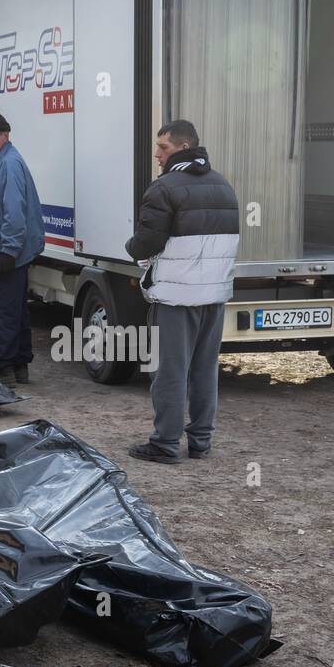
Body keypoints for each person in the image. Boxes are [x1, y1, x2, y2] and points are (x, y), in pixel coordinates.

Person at [123, 119, 239, 464]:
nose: (157, 154)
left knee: (170, 370)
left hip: (176, 295)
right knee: (205, 369)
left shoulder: (164, 188)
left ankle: (166, 443)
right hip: (214, 295)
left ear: (184, 149)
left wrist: (132, 247)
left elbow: (146, 241)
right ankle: (201, 442)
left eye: (164, 147)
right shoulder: (224, 186)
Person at [0, 111, 44, 387]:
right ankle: (19, 365)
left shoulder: (9, 165)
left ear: (6, 135)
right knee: (15, 310)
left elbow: (14, 214)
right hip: (4, 251)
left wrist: (8, 252)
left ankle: (1, 370)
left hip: (5, 253)